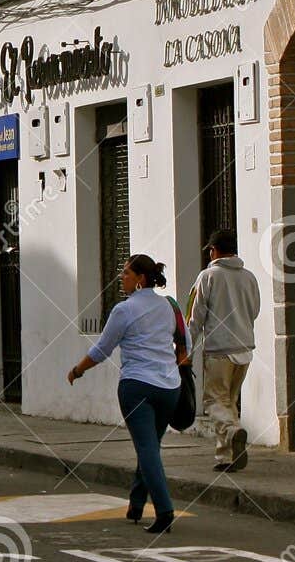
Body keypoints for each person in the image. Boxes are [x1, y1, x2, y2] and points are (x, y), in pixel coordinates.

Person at [68, 254, 189, 535]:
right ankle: (136, 503)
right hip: (170, 387)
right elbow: (186, 342)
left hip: (137, 386)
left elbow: (102, 349)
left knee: (146, 448)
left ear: (140, 280)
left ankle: (164, 510)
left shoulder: (124, 310)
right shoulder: (170, 306)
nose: (121, 277)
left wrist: (77, 369)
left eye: (126, 273)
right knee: (150, 447)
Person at [188, 228, 261, 473]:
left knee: (214, 401)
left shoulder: (208, 276)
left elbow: (195, 316)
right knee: (229, 402)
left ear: (214, 251)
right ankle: (226, 457)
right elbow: (255, 311)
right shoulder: (249, 277)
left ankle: (231, 432)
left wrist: (187, 348)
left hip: (219, 350)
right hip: (244, 349)